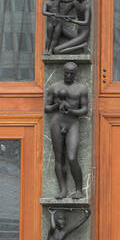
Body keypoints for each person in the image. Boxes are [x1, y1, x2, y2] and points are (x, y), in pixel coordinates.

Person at [45, 62, 89, 200]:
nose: (68, 75)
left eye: (71, 73)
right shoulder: (54, 87)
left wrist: (71, 110)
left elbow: (84, 109)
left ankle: (78, 189)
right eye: (66, 73)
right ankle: (63, 189)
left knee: (71, 157)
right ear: (63, 72)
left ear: (75, 74)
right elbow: (46, 108)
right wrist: (57, 105)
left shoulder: (81, 88)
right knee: (59, 158)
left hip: (72, 122)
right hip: (57, 122)